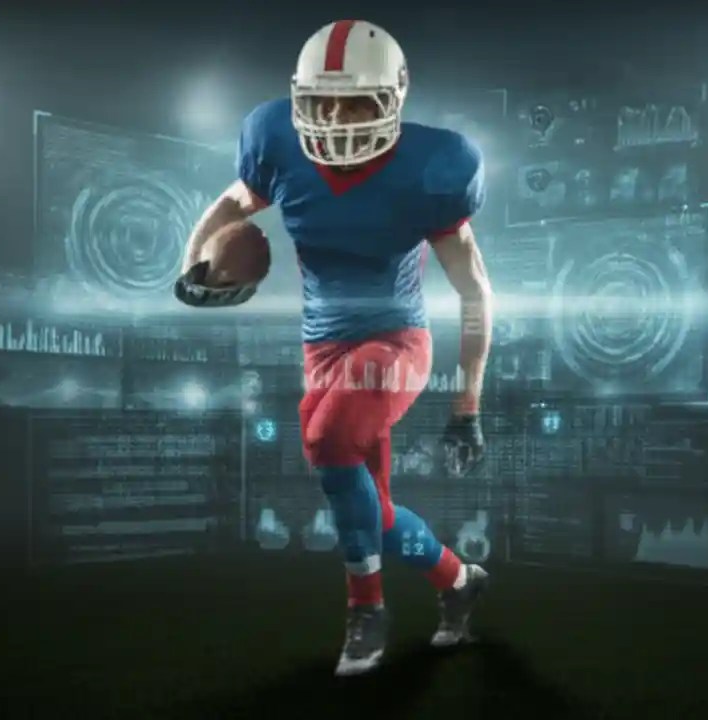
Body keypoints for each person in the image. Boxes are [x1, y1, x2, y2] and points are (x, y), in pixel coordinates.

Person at [175, 19, 493, 677]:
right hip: (320, 348)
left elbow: (474, 292)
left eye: (356, 101)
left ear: (395, 97)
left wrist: (467, 405)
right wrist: (194, 264)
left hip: (394, 341)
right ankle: (458, 581)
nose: (338, 118)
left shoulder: (433, 167)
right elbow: (232, 203)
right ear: (299, 98)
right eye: (324, 101)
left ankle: (365, 609)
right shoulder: (275, 140)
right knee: (368, 512)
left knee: (324, 442)